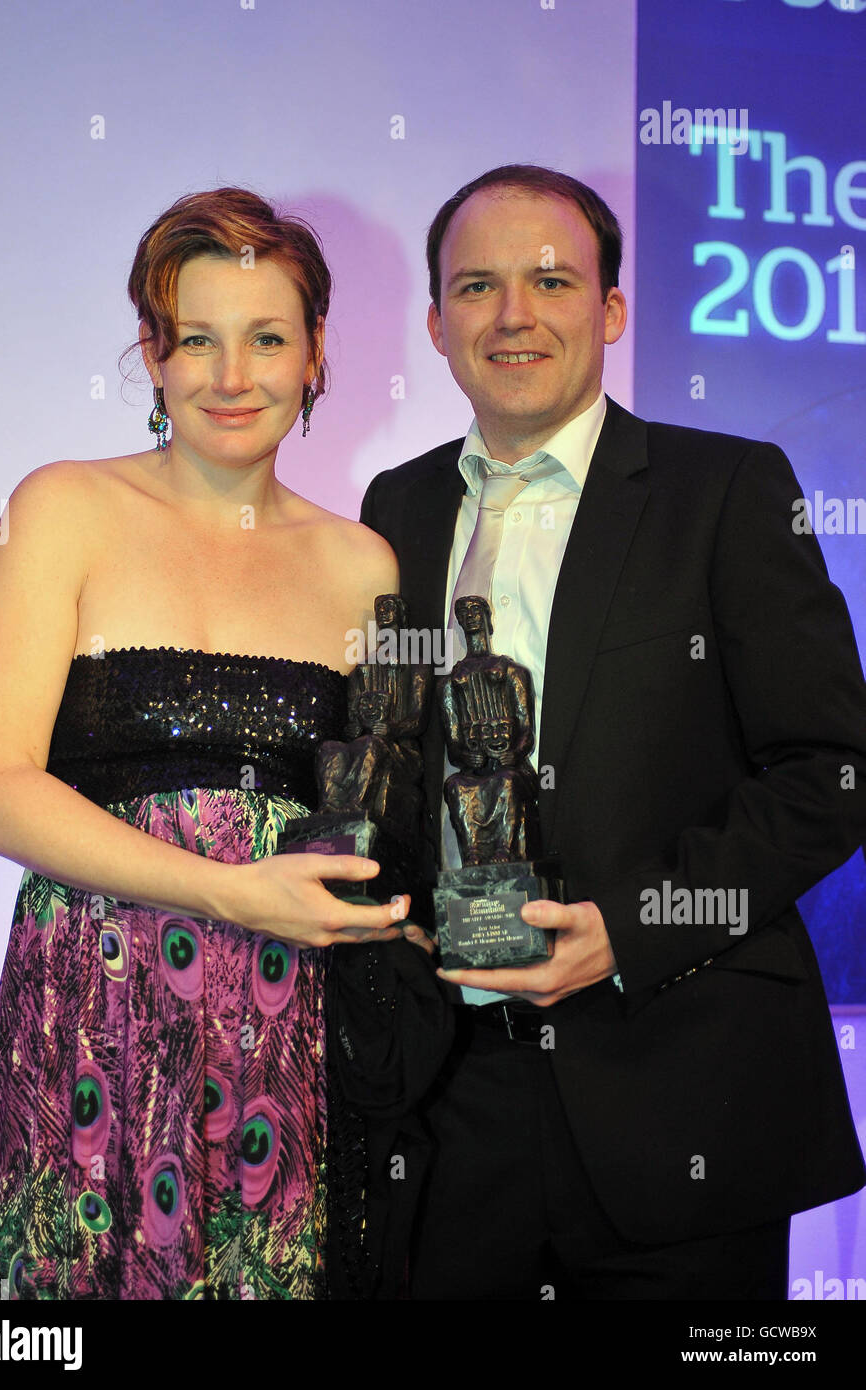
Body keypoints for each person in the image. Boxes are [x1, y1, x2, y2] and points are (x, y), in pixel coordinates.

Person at [357, 164, 866, 1299]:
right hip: (449, 1102)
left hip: (677, 1081)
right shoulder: (394, 508)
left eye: (551, 279)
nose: (514, 313)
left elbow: (831, 773)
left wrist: (630, 931)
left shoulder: (725, 488)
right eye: (477, 286)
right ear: (435, 324)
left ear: (612, 310)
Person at [0, 187, 412, 1300]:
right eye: (193, 340)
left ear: (314, 359)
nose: (230, 374)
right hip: (89, 1021)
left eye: (265, 338)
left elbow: (380, 816)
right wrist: (228, 890)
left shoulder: (364, 566)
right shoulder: (62, 507)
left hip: (281, 1032)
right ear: (151, 358)